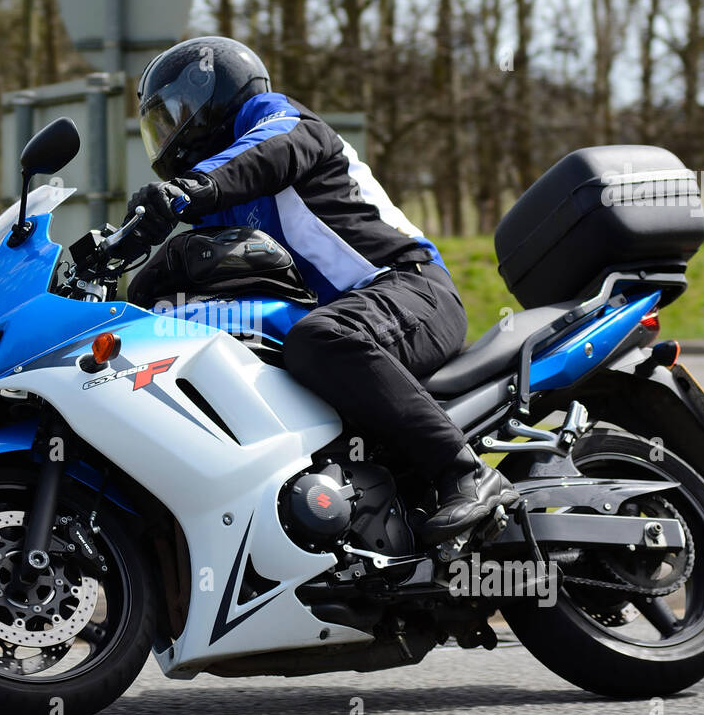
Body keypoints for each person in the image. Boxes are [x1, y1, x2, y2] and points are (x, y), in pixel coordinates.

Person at [126, 36, 517, 543]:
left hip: (410, 287)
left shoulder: (277, 122)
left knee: (317, 338)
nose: (167, 134)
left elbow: (266, 155)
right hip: (363, 314)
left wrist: (188, 189)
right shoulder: (220, 200)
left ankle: (466, 472)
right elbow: (186, 261)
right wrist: (121, 300)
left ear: (210, 96)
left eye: (173, 115)